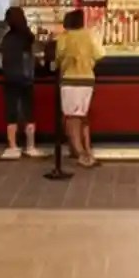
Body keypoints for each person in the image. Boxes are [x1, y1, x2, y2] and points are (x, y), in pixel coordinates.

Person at [55, 9, 104, 168]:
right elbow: (99, 55)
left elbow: (58, 58)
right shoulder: (90, 36)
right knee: (82, 117)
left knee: (71, 118)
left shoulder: (64, 38)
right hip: (87, 80)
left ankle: (81, 154)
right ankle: (85, 150)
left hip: (70, 79)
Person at [0, 6, 39, 159]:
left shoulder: (6, 38)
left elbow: (1, 61)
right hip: (26, 77)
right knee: (29, 110)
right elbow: (34, 55)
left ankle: (13, 147)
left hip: (10, 78)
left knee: (11, 111)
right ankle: (30, 146)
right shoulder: (28, 36)